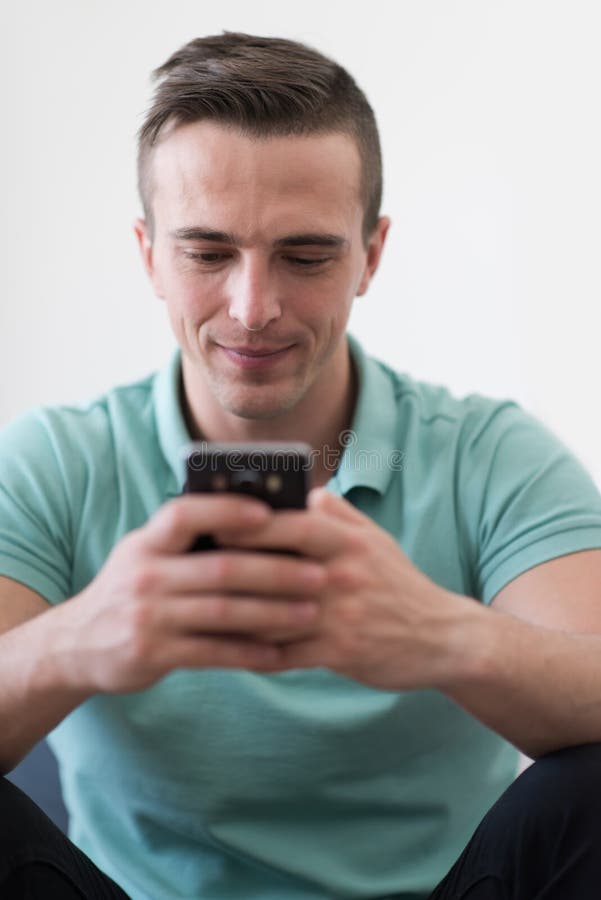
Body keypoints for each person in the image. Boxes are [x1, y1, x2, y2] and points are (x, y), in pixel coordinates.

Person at [1, 31, 601, 900]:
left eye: (306, 256)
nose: (253, 308)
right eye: (208, 253)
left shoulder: (485, 453)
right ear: (149, 255)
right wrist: (79, 640)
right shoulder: (58, 461)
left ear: (370, 255)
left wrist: (438, 636)